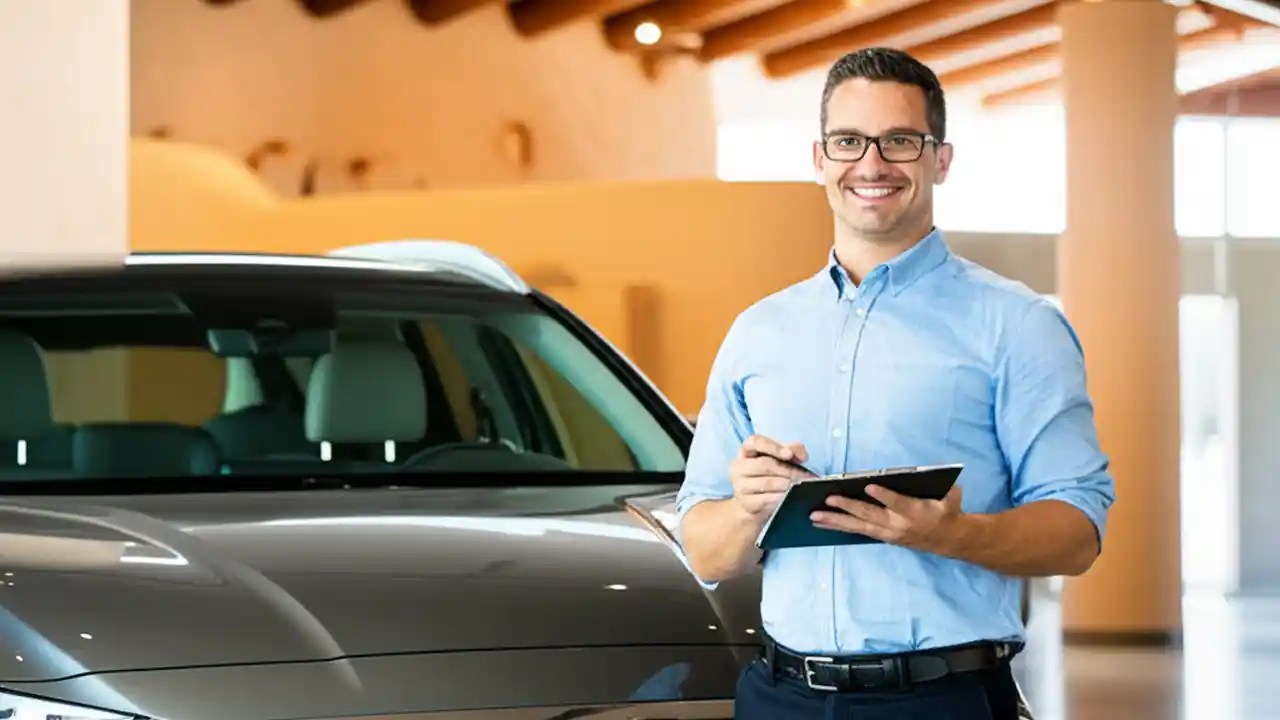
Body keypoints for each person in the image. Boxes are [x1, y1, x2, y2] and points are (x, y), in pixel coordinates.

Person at [675, 47, 1116, 719]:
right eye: (849, 141)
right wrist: (748, 508)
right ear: (819, 158)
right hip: (778, 699)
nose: (872, 165)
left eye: (899, 141)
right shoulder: (758, 331)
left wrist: (952, 535)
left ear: (940, 158)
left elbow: (1078, 530)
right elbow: (704, 546)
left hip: (942, 701)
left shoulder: (1017, 325)